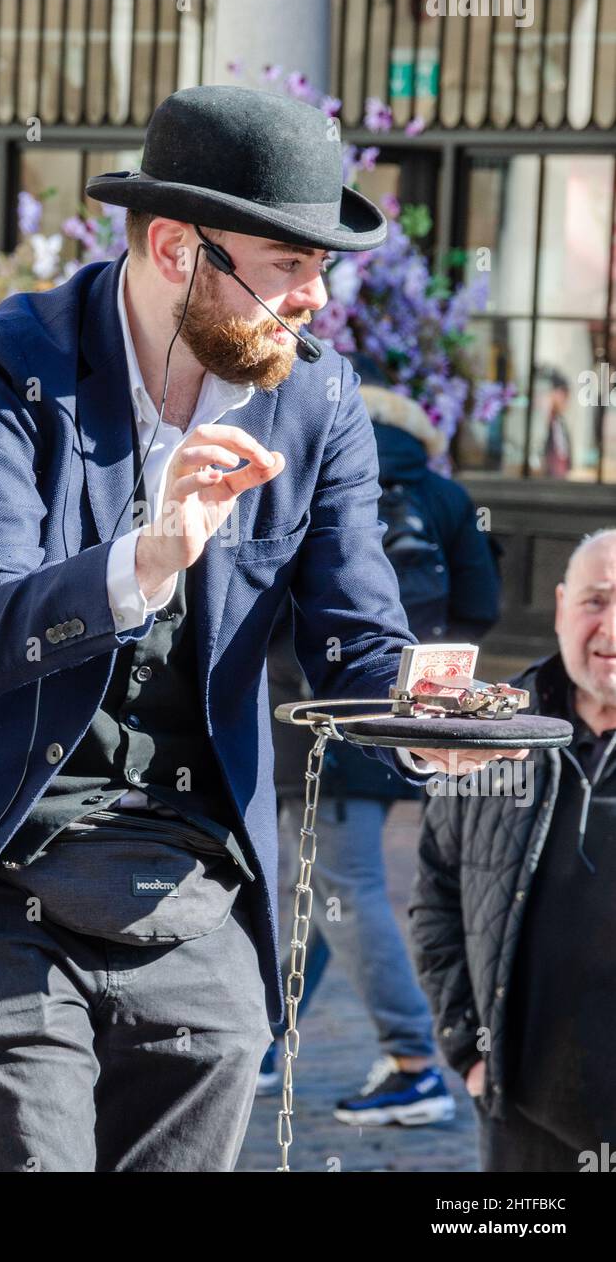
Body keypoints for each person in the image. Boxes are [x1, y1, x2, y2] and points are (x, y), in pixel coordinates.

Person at [0, 84, 527, 1174]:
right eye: (287, 263)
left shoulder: (319, 398)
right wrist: (143, 561)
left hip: (185, 863)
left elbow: (355, 636)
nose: (314, 297)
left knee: (222, 1053)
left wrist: (428, 715)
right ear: (174, 247)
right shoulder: (4, 367)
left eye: (322, 265)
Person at [261, 359, 502, 1119]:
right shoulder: (445, 495)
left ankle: (415, 1062)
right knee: (317, 891)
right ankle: (265, 1039)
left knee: (346, 888)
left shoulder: (309, 479)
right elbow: (481, 603)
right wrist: (417, 678)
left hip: (316, 719)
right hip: (407, 715)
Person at [411, 527, 616, 1171]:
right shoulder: (494, 731)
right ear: (560, 607)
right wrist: (469, 1056)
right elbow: (436, 897)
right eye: (596, 600)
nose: (611, 626)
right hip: (522, 1109)